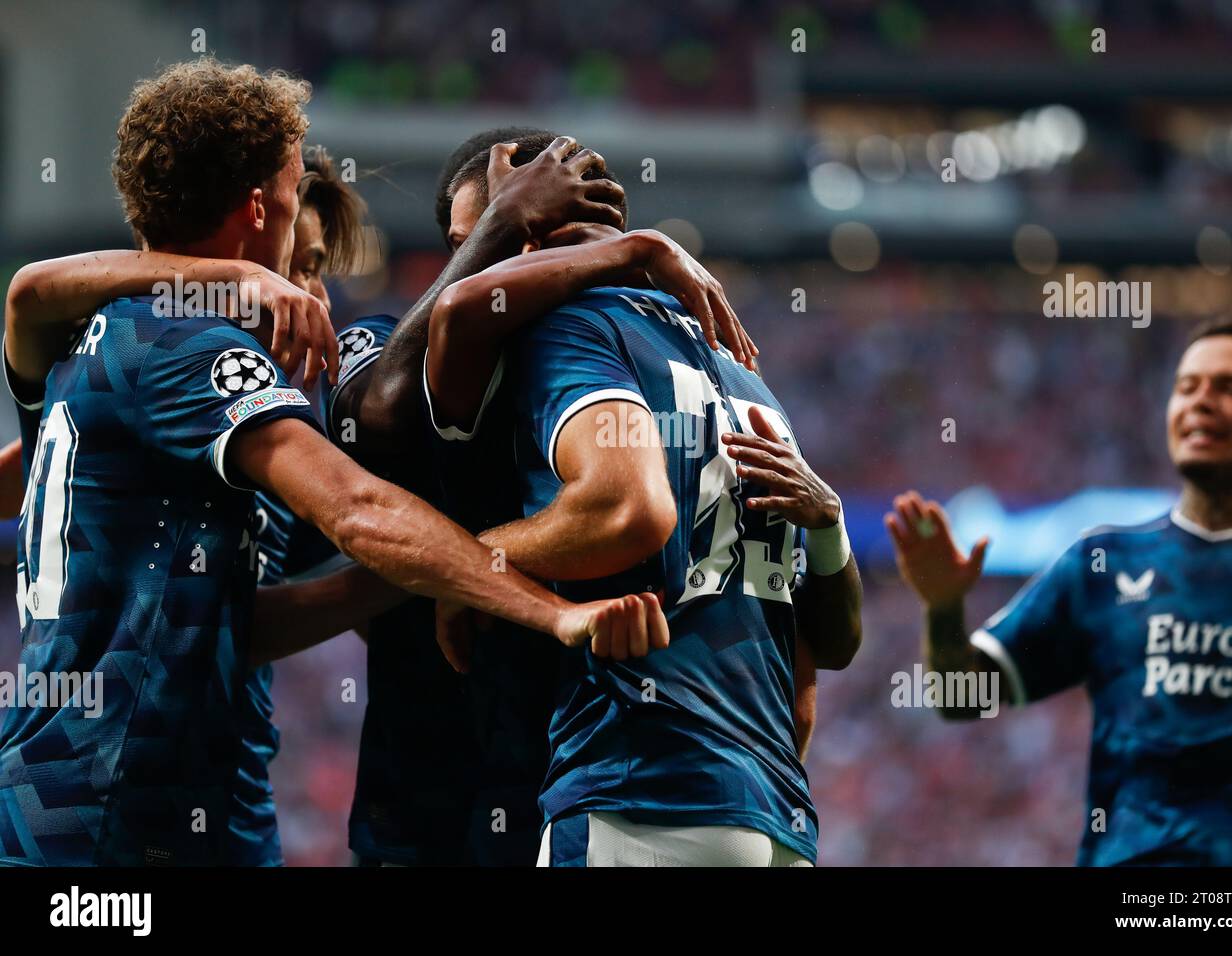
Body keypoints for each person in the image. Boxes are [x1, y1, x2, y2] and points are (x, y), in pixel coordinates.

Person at [0, 59, 663, 867]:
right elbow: (359, 507)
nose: (306, 293)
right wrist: (545, 605)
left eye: (315, 271)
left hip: (184, 805)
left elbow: (232, 618)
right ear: (260, 208)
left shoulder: (95, 346)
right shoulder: (186, 351)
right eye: (297, 256)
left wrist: (434, 565)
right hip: (113, 815)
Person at [426, 130, 863, 866]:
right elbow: (810, 676)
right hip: (774, 814)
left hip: (644, 794)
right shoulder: (743, 379)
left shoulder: (575, 330)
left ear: (531, 230)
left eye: (484, 241)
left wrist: (469, 564)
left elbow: (623, 512)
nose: (466, 270)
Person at [324, 128, 757, 866]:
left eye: (538, 239)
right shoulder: (384, 340)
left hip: (567, 774)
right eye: (487, 241)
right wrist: (624, 246)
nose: (513, 262)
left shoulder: (618, 381)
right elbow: (378, 420)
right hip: (423, 784)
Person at [887, 316, 1232, 866]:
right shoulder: (1103, 563)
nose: (1202, 402)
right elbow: (958, 697)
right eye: (1187, 387)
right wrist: (943, 608)